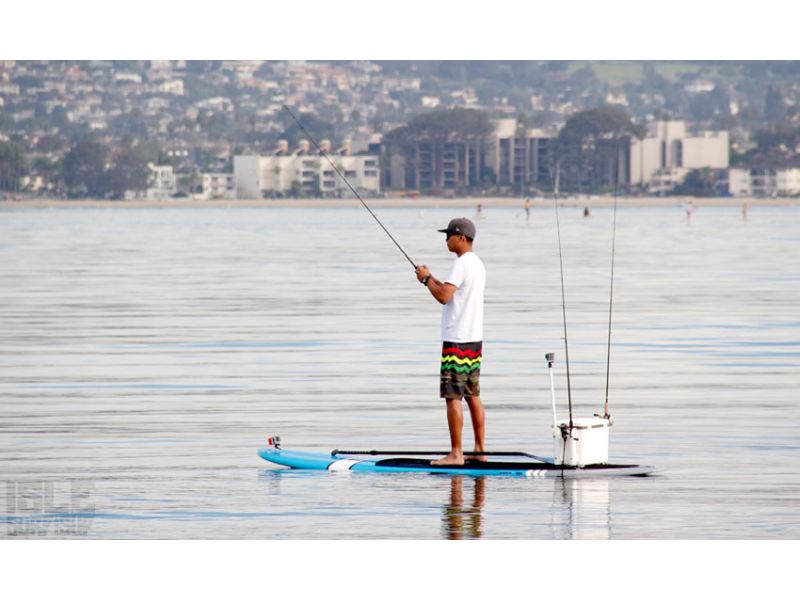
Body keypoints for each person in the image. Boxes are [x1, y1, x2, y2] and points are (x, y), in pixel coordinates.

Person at [415, 217, 486, 466]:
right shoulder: (477, 264)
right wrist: (430, 277)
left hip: (457, 341)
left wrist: (425, 280)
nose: (446, 239)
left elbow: (444, 296)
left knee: (453, 397)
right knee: (472, 395)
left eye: (449, 235)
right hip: (474, 340)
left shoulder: (461, 263)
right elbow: (449, 290)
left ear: (462, 238)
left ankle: (456, 454)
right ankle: (479, 449)